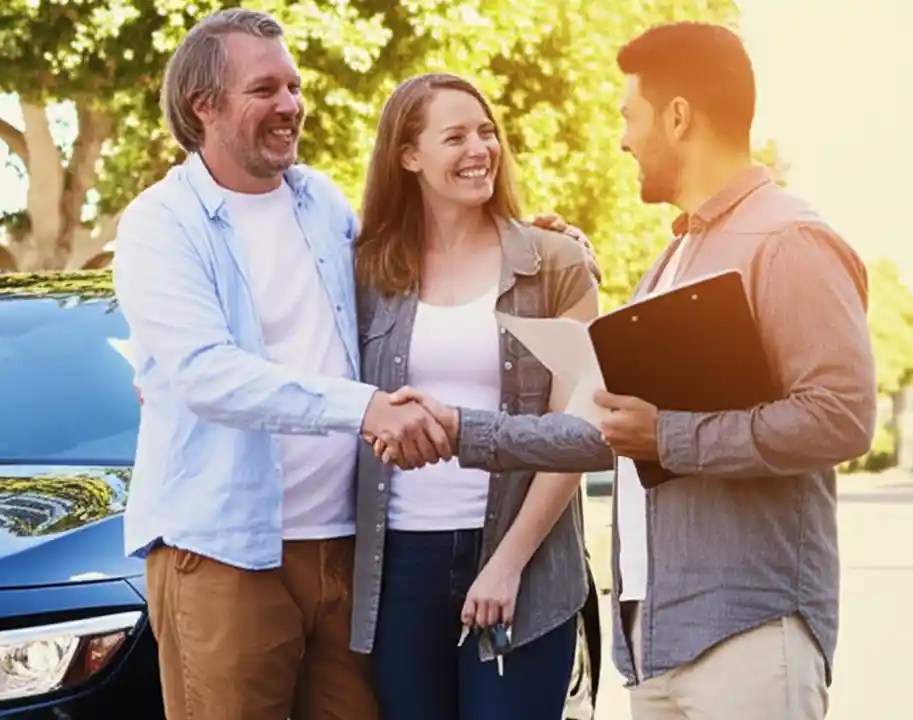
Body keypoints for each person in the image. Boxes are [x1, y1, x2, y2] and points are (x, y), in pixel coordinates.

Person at [110, 9, 454, 719]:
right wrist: (362, 407)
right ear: (204, 106)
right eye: (265, 89)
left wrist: (530, 245)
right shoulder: (159, 224)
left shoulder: (321, 202)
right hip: (224, 553)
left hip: (343, 545)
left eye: (294, 86)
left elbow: (410, 276)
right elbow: (207, 372)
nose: (291, 105)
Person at [591, 21, 876, 719]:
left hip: (748, 636)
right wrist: (457, 429)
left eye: (630, 115)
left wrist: (670, 438)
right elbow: (625, 427)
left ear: (678, 116)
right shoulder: (674, 259)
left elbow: (842, 415)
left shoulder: (788, 239)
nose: (623, 138)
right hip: (655, 644)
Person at [347, 72, 609, 720]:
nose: (480, 149)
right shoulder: (366, 271)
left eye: (487, 132)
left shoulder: (555, 264)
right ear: (408, 156)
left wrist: (508, 563)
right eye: (455, 136)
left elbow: (577, 428)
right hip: (399, 567)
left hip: (526, 564)